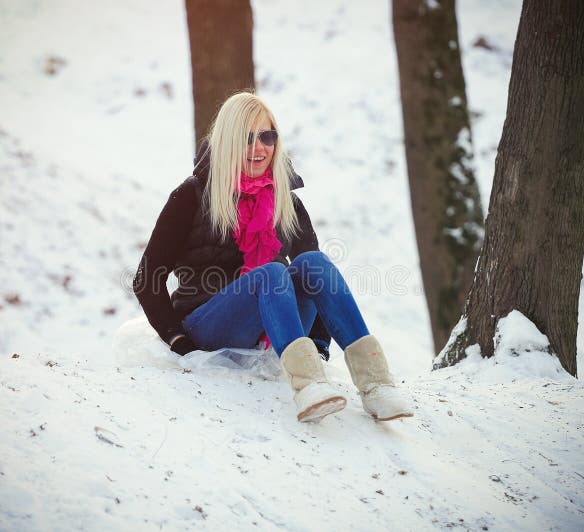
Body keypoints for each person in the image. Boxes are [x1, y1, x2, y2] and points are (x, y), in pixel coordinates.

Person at [133, 92, 412, 423]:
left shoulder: (286, 202)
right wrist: (178, 341)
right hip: (209, 324)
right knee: (272, 273)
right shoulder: (191, 196)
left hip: (274, 327)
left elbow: (316, 280)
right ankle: (308, 389)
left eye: (267, 136)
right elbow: (146, 279)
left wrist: (320, 344)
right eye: (247, 138)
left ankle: (377, 386)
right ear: (228, 140)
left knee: (313, 263)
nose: (259, 147)